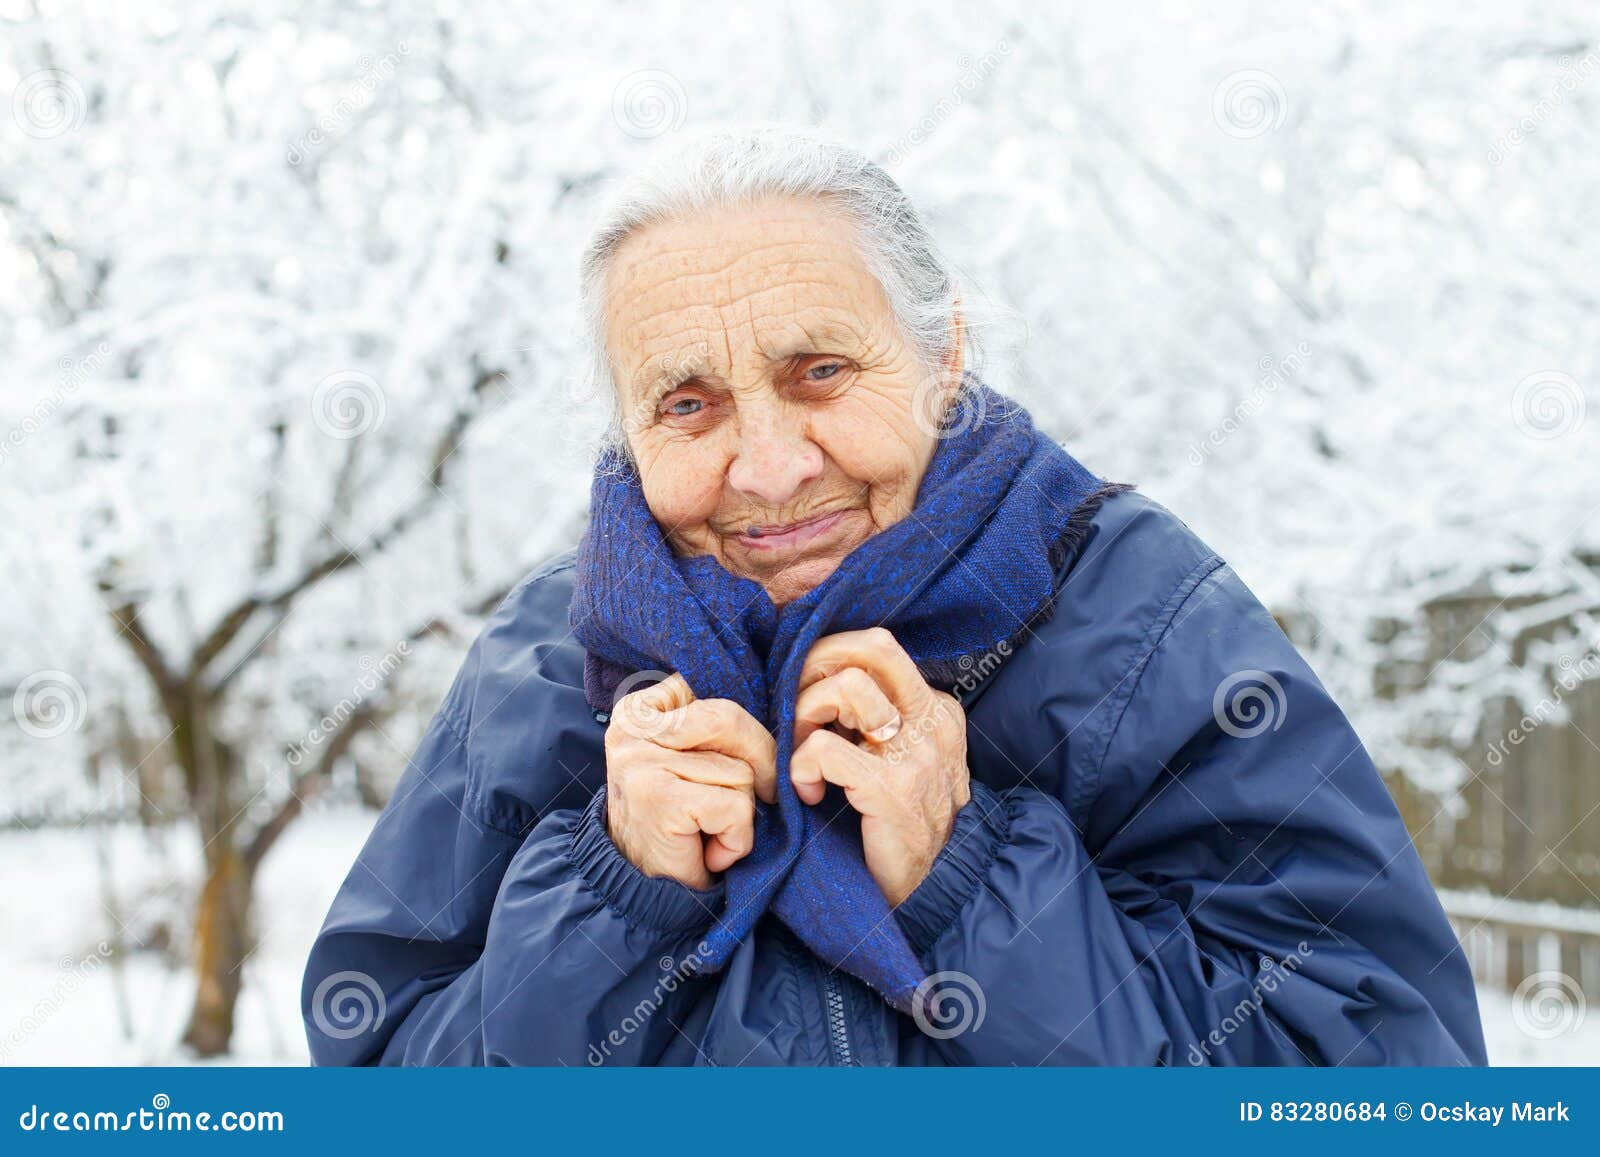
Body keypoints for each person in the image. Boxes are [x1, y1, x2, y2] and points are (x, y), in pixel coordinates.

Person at [303, 128, 1486, 1066]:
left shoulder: (1138, 619)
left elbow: (1386, 1067)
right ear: (626, 429)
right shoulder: (542, 661)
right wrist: (612, 898)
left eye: (820, 371)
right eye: (688, 404)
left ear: (943, 354)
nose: (770, 467)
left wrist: (972, 880)